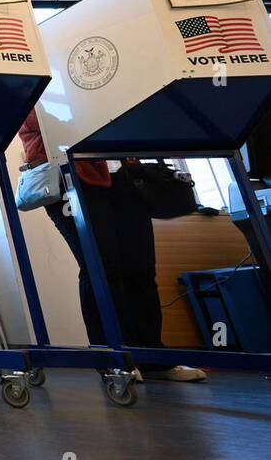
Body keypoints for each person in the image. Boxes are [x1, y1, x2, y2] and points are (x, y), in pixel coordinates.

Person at [18, 110, 205, 382]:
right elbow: (38, 122)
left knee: (140, 268)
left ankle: (152, 358)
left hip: (125, 177)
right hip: (70, 175)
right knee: (100, 268)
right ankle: (111, 357)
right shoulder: (41, 84)